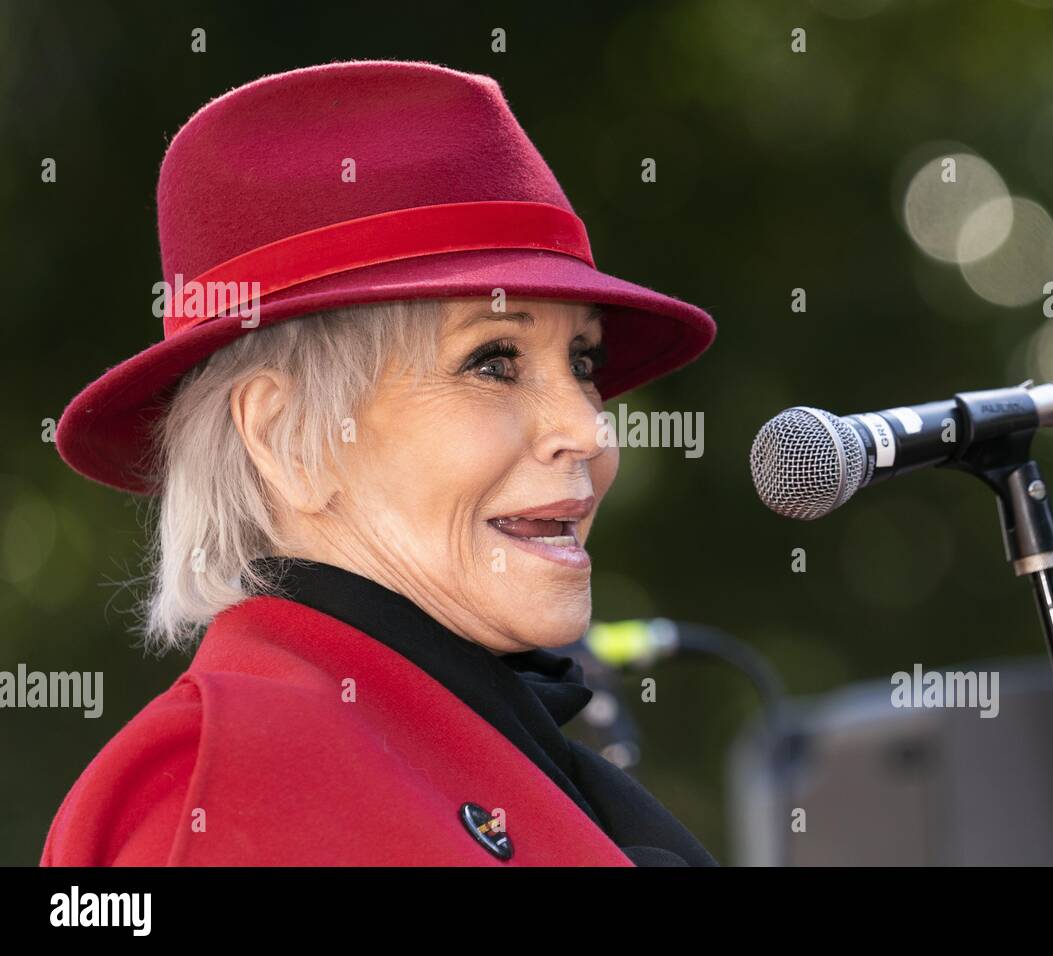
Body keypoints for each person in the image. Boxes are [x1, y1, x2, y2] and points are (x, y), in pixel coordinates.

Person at [42, 60, 718, 866]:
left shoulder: (455, 733)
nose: (589, 430)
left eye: (582, 362)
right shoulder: (220, 783)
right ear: (288, 437)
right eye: (494, 360)